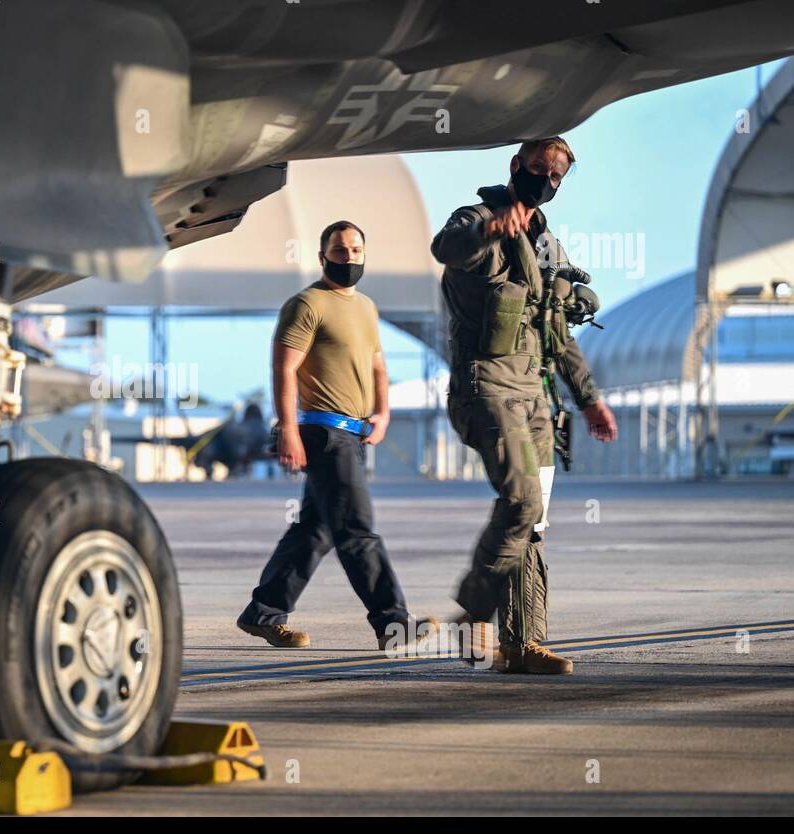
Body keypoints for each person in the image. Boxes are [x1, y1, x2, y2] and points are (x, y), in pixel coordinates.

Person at [431, 136, 618, 674]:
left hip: (535, 397)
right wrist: (493, 227)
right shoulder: (477, 219)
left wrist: (589, 399)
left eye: (556, 176)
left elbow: (557, 331)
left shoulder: (547, 244)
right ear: (516, 166)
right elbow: (447, 248)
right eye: (539, 169)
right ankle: (473, 612)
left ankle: (523, 644)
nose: (546, 181)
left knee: (532, 522)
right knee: (520, 502)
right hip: (487, 387)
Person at [237, 220, 434, 651]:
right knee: (357, 530)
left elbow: (378, 365)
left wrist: (383, 413)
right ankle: (393, 623)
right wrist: (288, 429)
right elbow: (284, 368)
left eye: (355, 250)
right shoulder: (307, 304)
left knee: (316, 530)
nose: (349, 258)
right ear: (322, 256)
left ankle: (264, 612)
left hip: (354, 435)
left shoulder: (365, 307)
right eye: (340, 251)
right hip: (323, 433)